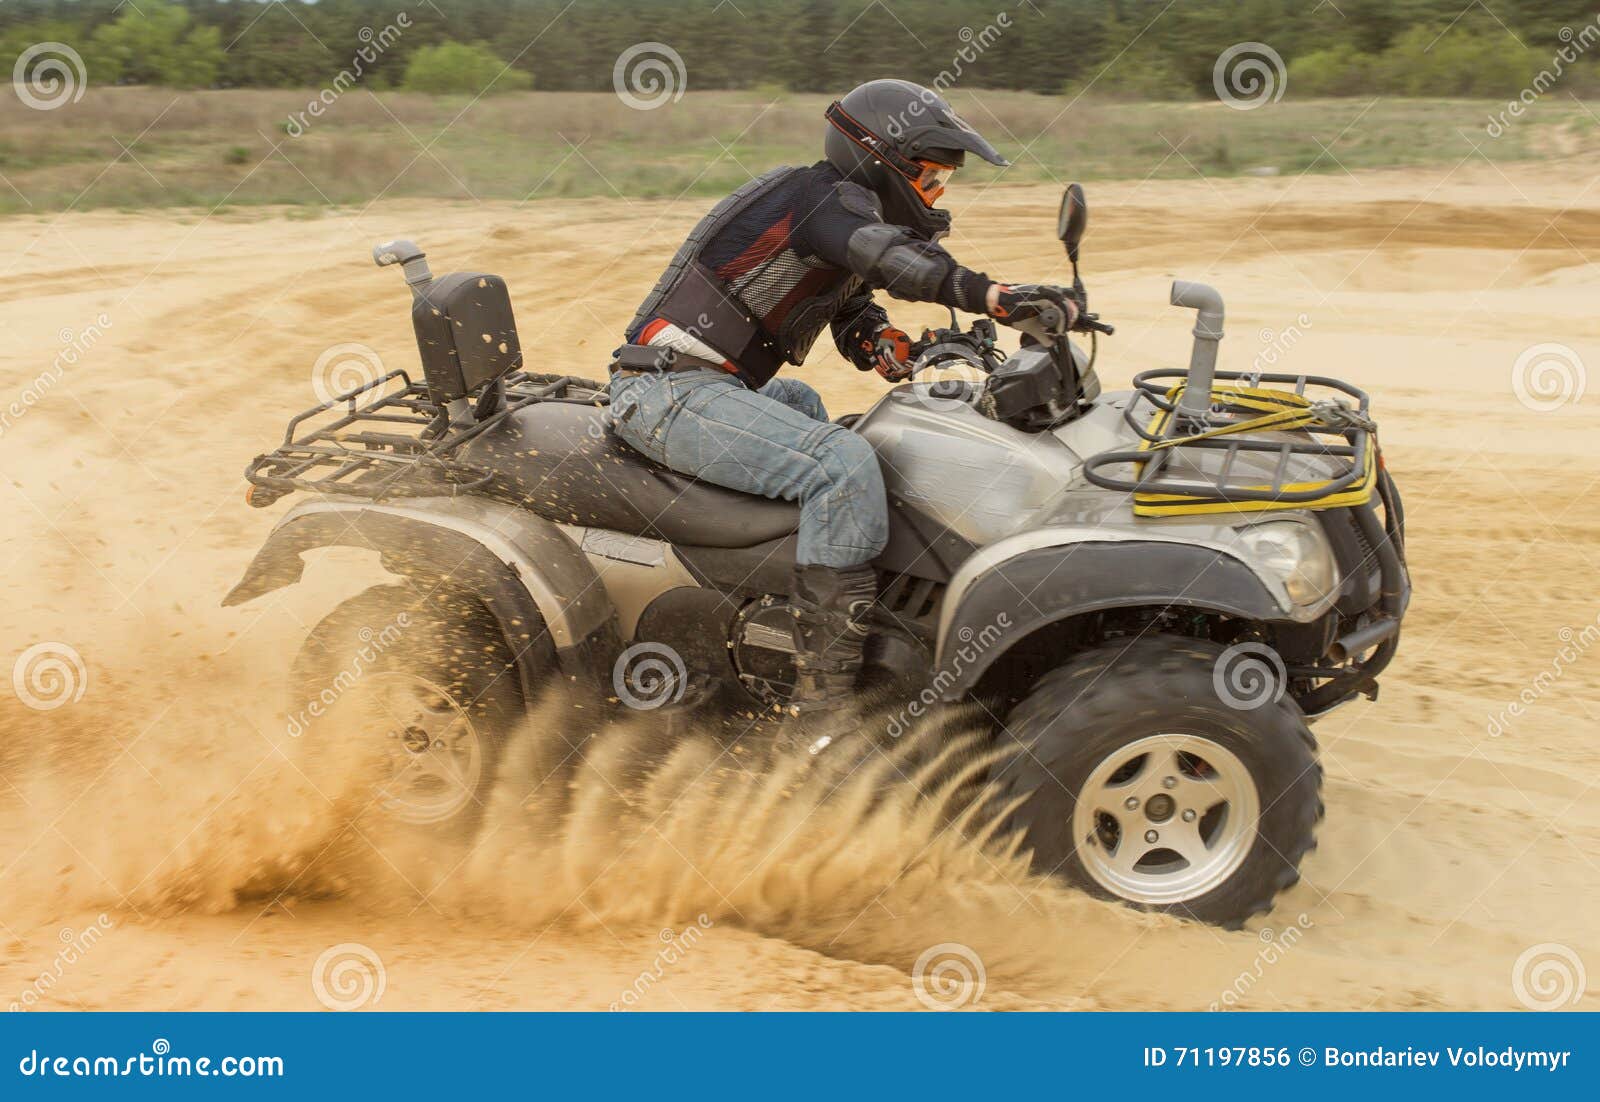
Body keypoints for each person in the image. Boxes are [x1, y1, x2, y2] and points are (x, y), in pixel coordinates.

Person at [609, 78, 1077, 719]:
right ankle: (824, 698)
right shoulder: (822, 203)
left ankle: (801, 590)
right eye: (932, 177)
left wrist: (893, 346)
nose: (938, 194)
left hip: (704, 386)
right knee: (843, 464)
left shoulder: (840, 212)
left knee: (810, 407)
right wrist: (1001, 297)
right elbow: (893, 263)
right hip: (666, 390)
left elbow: (850, 303)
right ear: (884, 161)